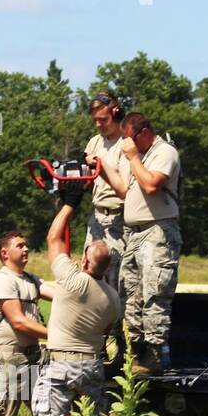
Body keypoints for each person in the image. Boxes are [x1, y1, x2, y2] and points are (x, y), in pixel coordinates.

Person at [31, 196, 122, 416]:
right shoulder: (114, 298)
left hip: (61, 364)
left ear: (84, 261)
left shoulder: (73, 281)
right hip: (92, 365)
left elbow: (53, 239)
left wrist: (69, 204)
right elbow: (106, 330)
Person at [118, 112, 183, 377]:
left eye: (130, 139)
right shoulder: (139, 156)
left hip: (158, 231)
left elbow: (152, 185)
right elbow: (125, 189)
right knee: (130, 294)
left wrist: (133, 157)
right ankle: (134, 352)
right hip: (134, 233)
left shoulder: (164, 152)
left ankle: (153, 356)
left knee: (154, 293)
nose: (127, 146)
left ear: (144, 132)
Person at [0, 231, 55, 416]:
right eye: (20, 246)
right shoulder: (2, 281)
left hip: (33, 358)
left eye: (26, 245)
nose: (26, 249)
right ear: (4, 253)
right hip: (10, 360)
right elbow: (19, 322)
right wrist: (57, 335)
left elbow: (61, 296)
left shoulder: (30, 279)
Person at [83, 91, 131, 293]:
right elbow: (87, 180)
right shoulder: (95, 141)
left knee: (114, 279)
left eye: (103, 120)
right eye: (94, 120)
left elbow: (124, 190)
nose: (98, 125)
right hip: (97, 216)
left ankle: (115, 324)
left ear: (116, 114)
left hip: (118, 219)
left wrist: (101, 167)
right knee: (88, 273)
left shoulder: (127, 144)